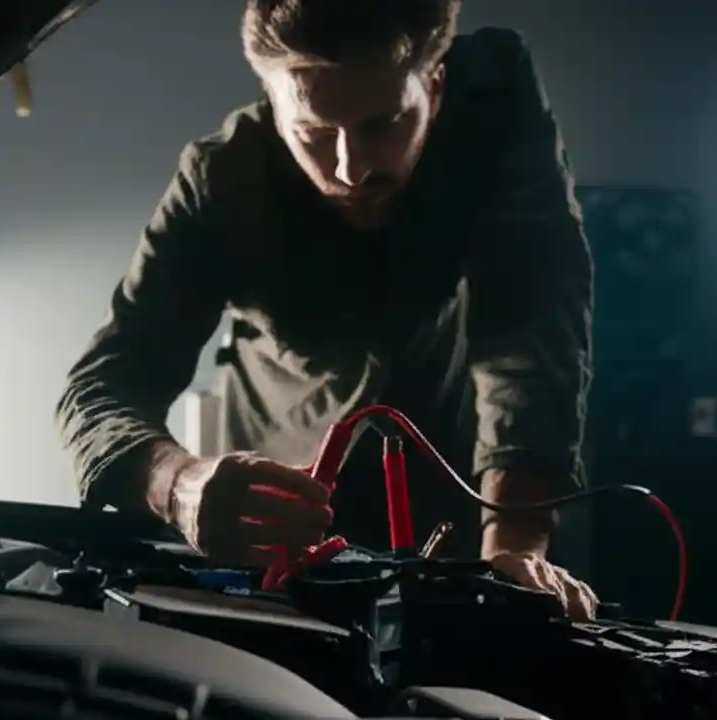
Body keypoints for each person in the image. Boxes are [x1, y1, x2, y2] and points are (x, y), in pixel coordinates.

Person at [56, 0, 598, 620]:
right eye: (313, 132)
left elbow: (529, 327)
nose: (351, 168)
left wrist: (514, 547)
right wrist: (177, 484)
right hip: (276, 549)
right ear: (271, 98)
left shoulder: (495, 107)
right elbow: (100, 386)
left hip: (469, 524)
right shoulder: (219, 178)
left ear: (437, 85)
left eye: (383, 124)